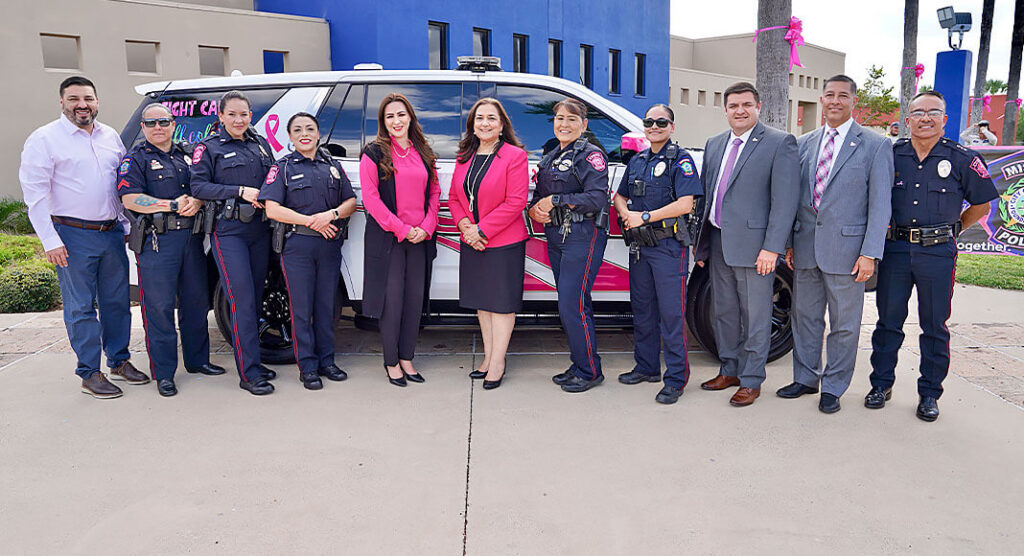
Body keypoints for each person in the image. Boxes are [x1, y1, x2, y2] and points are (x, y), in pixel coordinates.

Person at [868, 90, 998, 422]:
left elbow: (982, 205)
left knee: (934, 325)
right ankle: (881, 384)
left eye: (933, 112)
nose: (925, 118)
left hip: (938, 253)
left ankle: (929, 393)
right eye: (918, 112)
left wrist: (953, 229)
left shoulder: (962, 158)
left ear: (945, 119)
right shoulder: (890, 155)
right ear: (907, 119)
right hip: (895, 250)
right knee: (888, 322)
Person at [18, 76, 148, 399]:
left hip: (111, 233)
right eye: (74, 99)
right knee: (81, 307)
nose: (82, 105)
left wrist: (125, 224)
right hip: (71, 235)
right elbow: (35, 195)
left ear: (97, 101)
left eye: (88, 98)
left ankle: (119, 360)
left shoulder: (110, 137)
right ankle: (89, 372)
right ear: (62, 102)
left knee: (117, 302)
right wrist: (49, 240)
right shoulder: (44, 139)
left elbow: (118, 186)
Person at [779, 75, 893, 413]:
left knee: (844, 325)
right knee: (805, 318)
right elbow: (793, 199)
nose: (835, 101)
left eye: (843, 96)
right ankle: (805, 378)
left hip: (848, 252)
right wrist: (790, 242)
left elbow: (880, 205)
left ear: (853, 101)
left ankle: (834, 387)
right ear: (822, 99)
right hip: (806, 248)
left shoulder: (875, 145)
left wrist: (870, 253)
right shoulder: (804, 143)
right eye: (829, 95)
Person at [693, 82, 800, 407]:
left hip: (756, 248)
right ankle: (729, 370)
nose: (740, 111)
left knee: (756, 316)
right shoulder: (714, 144)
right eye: (733, 106)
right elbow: (707, 196)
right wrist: (702, 245)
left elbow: (785, 202)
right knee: (724, 312)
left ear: (758, 107)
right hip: (718, 241)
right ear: (725, 110)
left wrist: (773, 247)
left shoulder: (779, 143)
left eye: (746, 105)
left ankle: (752, 379)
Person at [118, 103, 226, 397]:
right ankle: (164, 373)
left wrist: (198, 201)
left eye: (164, 121)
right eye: (151, 123)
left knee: (196, 303)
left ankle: (198, 361)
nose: (158, 127)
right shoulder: (135, 159)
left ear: (173, 123)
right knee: (159, 309)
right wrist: (173, 205)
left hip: (191, 239)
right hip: (157, 241)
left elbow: (204, 186)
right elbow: (130, 199)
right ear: (143, 127)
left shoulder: (188, 154)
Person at [612, 104, 702, 405]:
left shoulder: (681, 160)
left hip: (667, 247)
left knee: (671, 315)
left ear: (672, 127)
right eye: (649, 122)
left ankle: (675, 379)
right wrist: (626, 213)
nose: (654, 126)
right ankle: (646, 367)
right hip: (640, 247)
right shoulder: (637, 160)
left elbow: (686, 204)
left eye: (661, 122)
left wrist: (645, 217)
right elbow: (619, 196)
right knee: (643, 310)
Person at [261, 112, 357, 390]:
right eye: (298, 130)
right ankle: (308, 367)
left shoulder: (333, 166)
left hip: (328, 245)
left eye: (310, 129)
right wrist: (311, 221)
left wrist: (331, 215)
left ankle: (327, 361)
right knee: (301, 309)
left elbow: (350, 202)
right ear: (290, 137)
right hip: (297, 246)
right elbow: (272, 208)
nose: (304, 134)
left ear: (318, 134)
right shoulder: (283, 168)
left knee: (326, 306)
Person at [190, 90, 277, 396]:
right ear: (221, 117)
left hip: (259, 231)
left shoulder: (260, 144)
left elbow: (272, 179)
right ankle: (249, 374)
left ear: (250, 116)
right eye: (232, 114)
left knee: (254, 298)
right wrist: (239, 190)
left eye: (243, 114)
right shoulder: (209, 147)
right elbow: (198, 186)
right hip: (229, 232)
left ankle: (255, 362)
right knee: (241, 301)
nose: (239, 120)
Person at [528, 98, 611, 394]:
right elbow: (539, 196)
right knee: (571, 304)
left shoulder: (591, 155)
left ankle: (590, 371)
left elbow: (597, 197)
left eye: (571, 119)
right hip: (557, 235)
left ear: (584, 125)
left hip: (582, 234)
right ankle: (579, 365)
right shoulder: (551, 156)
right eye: (560, 118)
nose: (564, 124)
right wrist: (534, 209)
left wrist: (556, 201)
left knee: (571, 304)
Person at [359, 93, 441, 387]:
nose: (396, 121)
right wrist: (402, 229)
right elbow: (371, 199)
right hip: (390, 240)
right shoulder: (373, 153)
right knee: (392, 302)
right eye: (390, 116)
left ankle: (407, 357)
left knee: (413, 300)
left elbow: (434, 192)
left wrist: (427, 226)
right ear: (383, 121)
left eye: (401, 114)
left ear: (410, 118)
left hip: (420, 239)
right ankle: (391, 361)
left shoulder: (423, 151)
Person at [448, 98, 529, 390]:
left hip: (503, 242)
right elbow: (454, 198)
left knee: (501, 305)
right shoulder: (464, 156)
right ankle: (487, 356)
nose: (485, 123)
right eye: (479, 118)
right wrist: (465, 227)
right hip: (472, 241)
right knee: (483, 304)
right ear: (472, 124)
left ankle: (498, 362)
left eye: (492, 118)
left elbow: (516, 201)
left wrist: (481, 230)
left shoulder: (514, 156)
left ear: (502, 124)